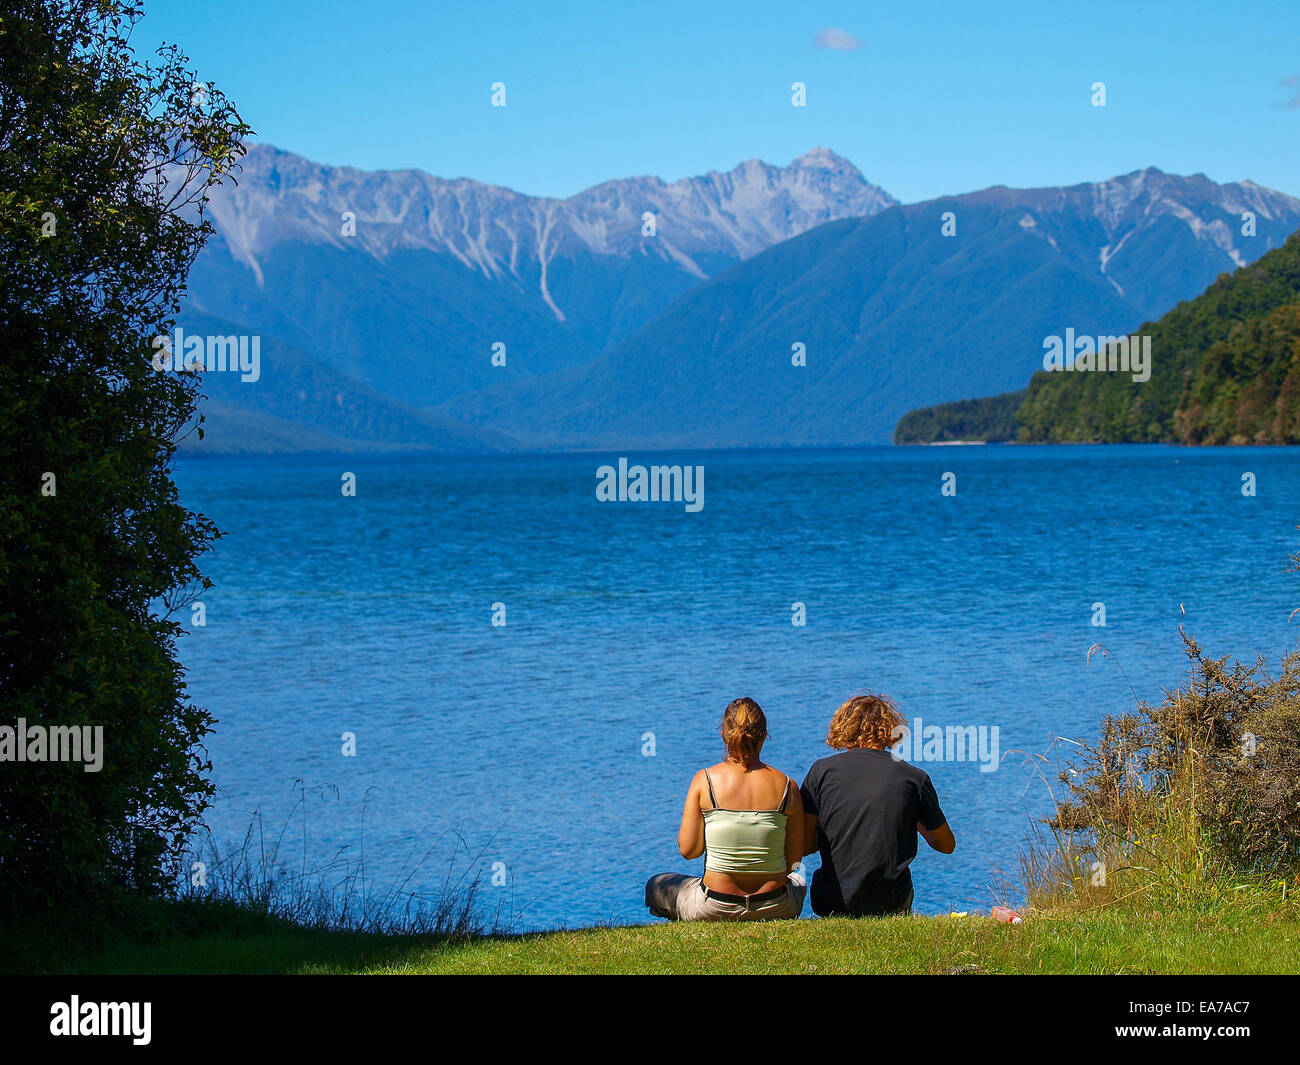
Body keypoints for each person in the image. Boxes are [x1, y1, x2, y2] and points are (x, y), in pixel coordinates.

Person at [645, 698, 807, 922]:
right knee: (800, 881)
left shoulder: (705, 781)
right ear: (764, 735)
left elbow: (688, 850)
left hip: (713, 907)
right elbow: (793, 863)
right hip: (776, 906)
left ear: (723, 734)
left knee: (656, 884)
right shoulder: (788, 787)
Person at [800, 693, 955, 917]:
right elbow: (946, 845)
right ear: (890, 729)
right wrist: (914, 819)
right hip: (892, 902)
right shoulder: (914, 778)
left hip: (832, 901)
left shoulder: (821, 772)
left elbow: (805, 846)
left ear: (844, 727)